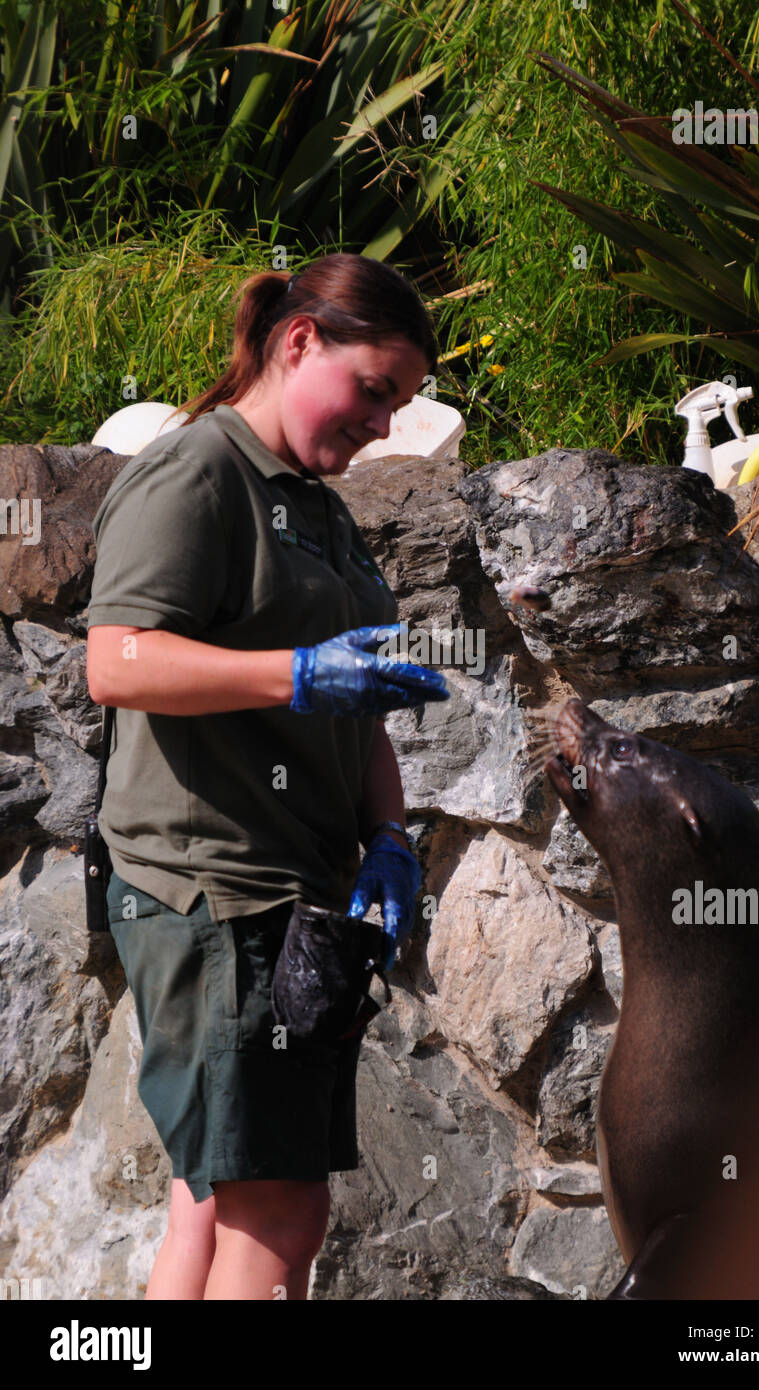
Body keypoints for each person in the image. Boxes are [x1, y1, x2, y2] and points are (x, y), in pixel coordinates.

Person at [85, 252, 449, 1301]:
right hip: (216, 897)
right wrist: (293, 672)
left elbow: (361, 700)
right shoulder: (196, 470)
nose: (384, 423)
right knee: (279, 1214)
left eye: (402, 403)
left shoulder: (321, 510)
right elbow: (117, 661)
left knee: (210, 1206)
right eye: (374, 389)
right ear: (299, 343)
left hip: (289, 901)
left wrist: (388, 839)